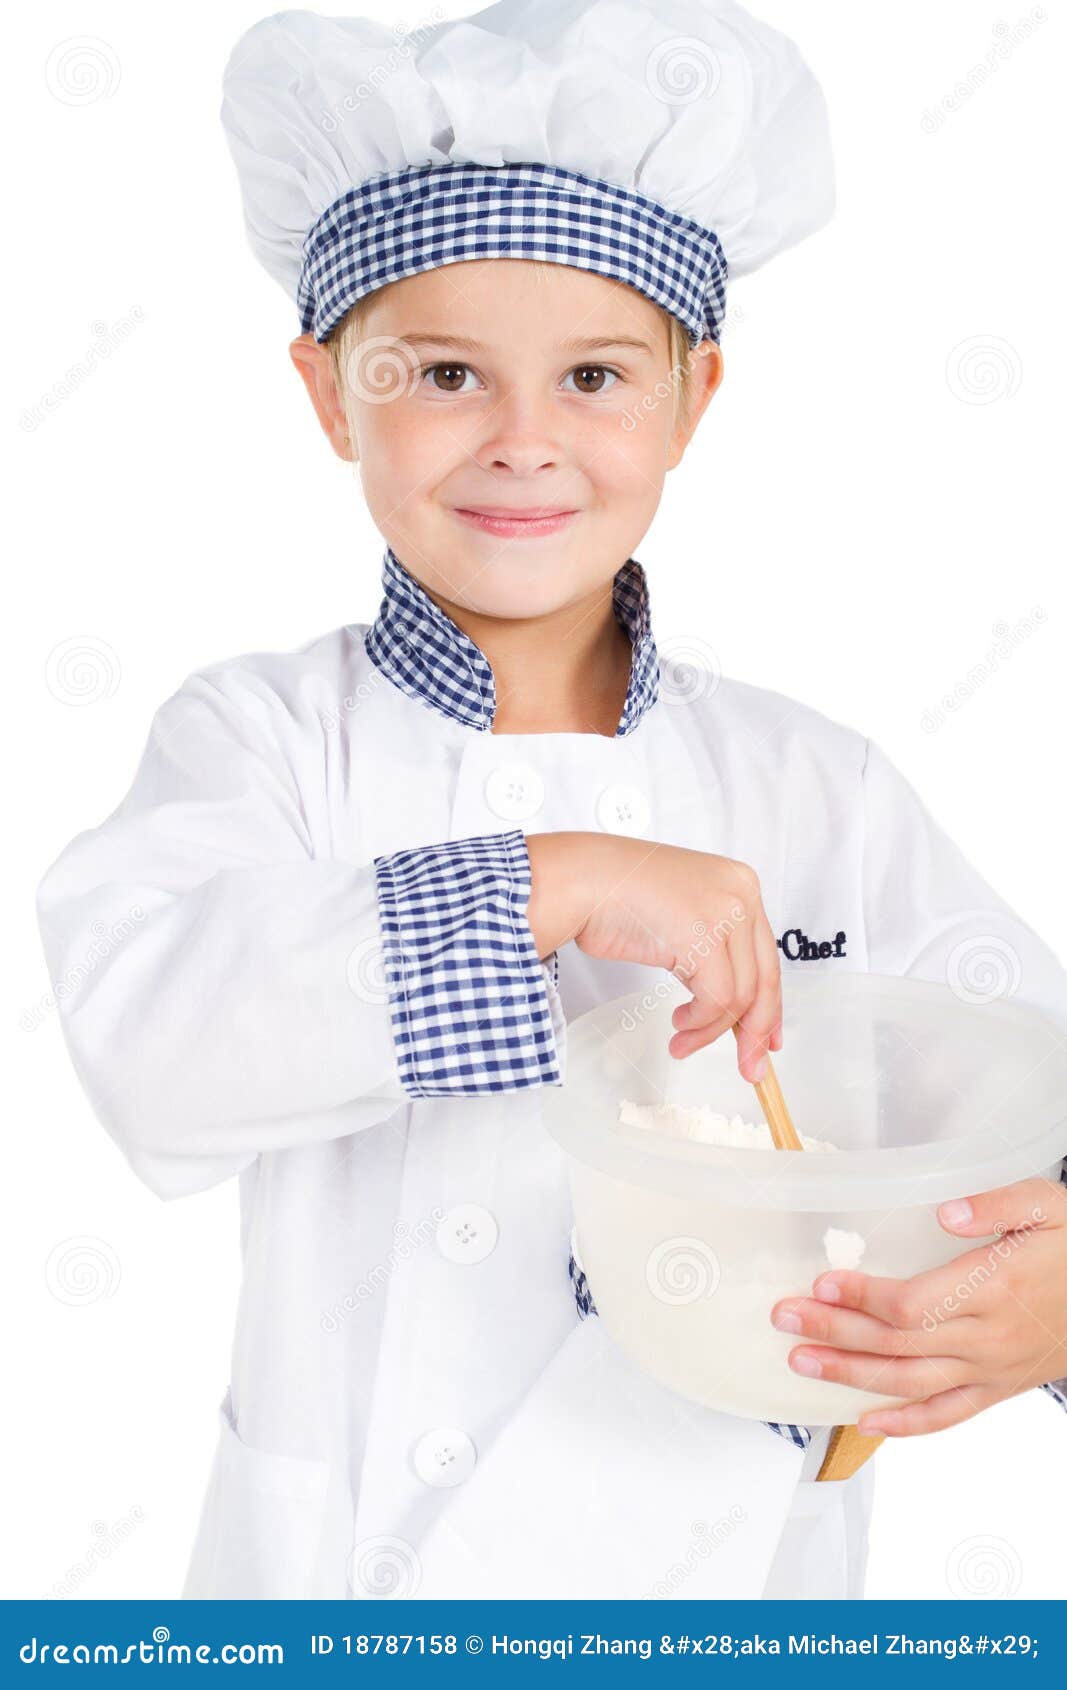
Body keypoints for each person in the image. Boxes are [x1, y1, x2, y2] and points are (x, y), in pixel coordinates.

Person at [35, 0, 1067, 1600]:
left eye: (593, 374)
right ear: (330, 396)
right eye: (444, 371)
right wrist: (546, 878)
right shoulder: (260, 738)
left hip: (731, 1595)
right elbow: (158, 1047)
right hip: (342, 1590)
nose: (524, 441)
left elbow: (1024, 1080)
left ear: (691, 398)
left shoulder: (822, 785)